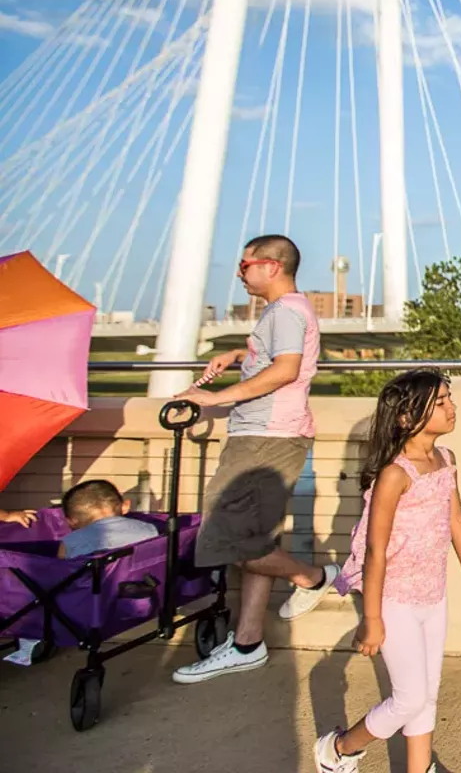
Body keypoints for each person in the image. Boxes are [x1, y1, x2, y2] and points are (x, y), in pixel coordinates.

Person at [171, 234, 334, 685]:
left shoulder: (285, 310)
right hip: (267, 433)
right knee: (254, 537)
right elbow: (281, 357)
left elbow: (286, 369)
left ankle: (315, 577)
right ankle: (247, 642)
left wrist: (214, 398)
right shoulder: (286, 311)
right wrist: (240, 354)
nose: (239, 273)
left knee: (227, 539)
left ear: (272, 266)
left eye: (244, 266)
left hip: (267, 436)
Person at [314, 370, 461, 773]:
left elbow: (456, 519)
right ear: (407, 419)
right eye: (440, 402)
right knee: (408, 698)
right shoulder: (395, 475)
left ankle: (418, 768)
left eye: (449, 398)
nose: (451, 407)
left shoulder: (446, 459)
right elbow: (376, 551)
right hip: (395, 600)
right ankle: (338, 749)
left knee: (428, 692)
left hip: (433, 594)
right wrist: (372, 620)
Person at [58, 480, 158, 559]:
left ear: (71, 521)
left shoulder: (70, 542)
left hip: (93, 584)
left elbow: (60, 576)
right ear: (125, 506)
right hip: (143, 583)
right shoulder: (149, 530)